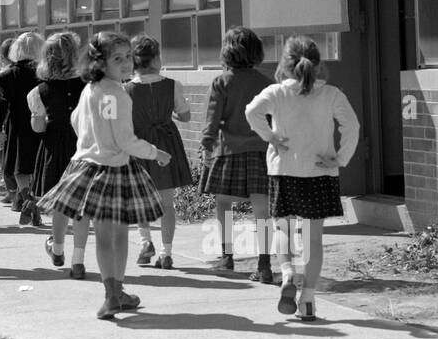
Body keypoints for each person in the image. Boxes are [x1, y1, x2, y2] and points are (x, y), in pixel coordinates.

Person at [37, 32, 171, 320]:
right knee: (118, 235)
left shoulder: (91, 89)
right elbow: (124, 139)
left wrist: (92, 140)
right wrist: (155, 153)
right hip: (113, 169)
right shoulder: (116, 94)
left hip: (86, 166)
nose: (125, 63)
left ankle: (112, 293)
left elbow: (76, 122)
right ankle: (115, 292)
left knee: (103, 236)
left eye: (128, 57)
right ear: (100, 62)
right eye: (117, 58)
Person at [246, 36, 360, 323]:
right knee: (313, 239)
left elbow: (251, 112)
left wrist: (270, 136)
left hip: (283, 170)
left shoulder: (276, 92)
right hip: (320, 172)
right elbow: (353, 126)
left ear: (284, 64)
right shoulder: (332, 94)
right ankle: (307, 300)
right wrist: (341, 158)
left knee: (282, 228)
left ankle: (286, 274)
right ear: (318, 65)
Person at [199, 27, 274, 279]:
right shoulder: (267, 82)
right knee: (261, 208)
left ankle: (227, 256)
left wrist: (207, 146)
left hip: (228, 152)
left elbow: (212, 121)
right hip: (261, 152)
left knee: (223, 204)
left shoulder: (221, 82)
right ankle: (264, 264)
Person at [126, 34, 193, 270]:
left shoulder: (126, 89)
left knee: (140, 199)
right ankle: (166, 253)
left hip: (139, 144)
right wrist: (172, 114)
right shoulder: (173, 85)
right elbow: (185, 115)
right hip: (167, 142)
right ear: (156, 58)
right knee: (167, 202)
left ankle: (145, 242)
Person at [30, 32, 89, 276]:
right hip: (82, 148)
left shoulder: (38, 92)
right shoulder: (89, 86)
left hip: (54, 148)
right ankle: (78, 259)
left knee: (60, 206)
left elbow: (38, 127)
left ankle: (57, 247)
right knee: (82, 208)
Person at [0, 31, 45, 225]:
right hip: (41, 124)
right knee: (38, 166)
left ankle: (27, 199)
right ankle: (35, 200)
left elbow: (1, 105)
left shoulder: (6, 75)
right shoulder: (44, 72)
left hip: (16, 126)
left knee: (19, 168)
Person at [0, 38, 19, 205]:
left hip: (7, 121)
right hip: (21, 120)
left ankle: (12, 191)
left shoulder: (5, 75)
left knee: (5, 156)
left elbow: (1, 102)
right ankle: (17, 191)